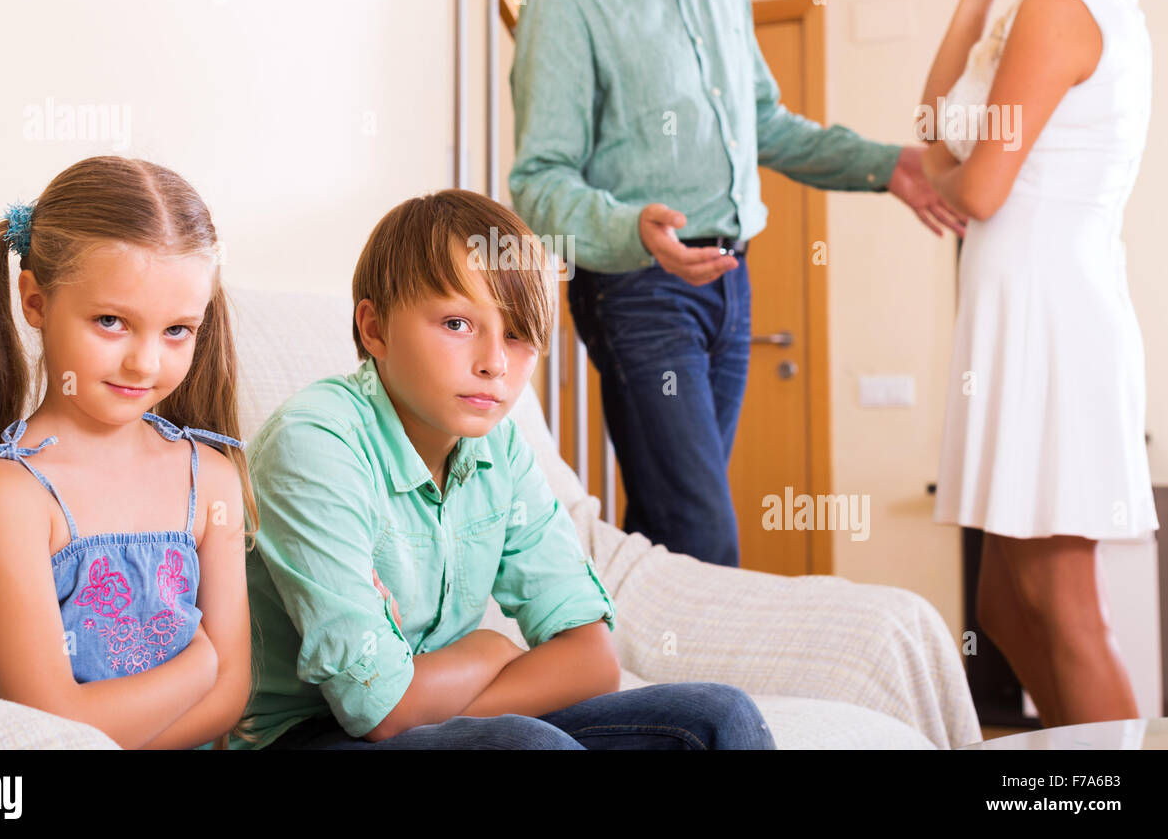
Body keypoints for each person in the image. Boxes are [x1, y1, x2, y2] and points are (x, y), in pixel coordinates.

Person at [509, 0, 965, 568]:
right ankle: (711, 696)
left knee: (667, 520)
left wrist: (887, 164)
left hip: (730, 284)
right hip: (640, 290)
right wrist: (631, 229)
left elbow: (766, 121)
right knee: (703, 533)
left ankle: (635, 686)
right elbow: (538, 181)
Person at [231, 189, 775, 749]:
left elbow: (592, 661)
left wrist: (431, 698)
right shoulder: (315, 443)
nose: (494, 362)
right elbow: (377, 709)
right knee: (527, 745)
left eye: (517, 335)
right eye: (457, 324)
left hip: (435, 712)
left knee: (719, 715)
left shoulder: (500, 446)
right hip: (300, 735)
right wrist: (487, 650)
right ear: (374, 330)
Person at [0, 156, 257, 750]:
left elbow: (230, 697)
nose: (145, 362)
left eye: (177, 330)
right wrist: (199, 666)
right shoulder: (6, 494)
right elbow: (54, 727)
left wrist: (208, 679)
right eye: (111, 321)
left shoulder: (209, 480)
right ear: (35, 302)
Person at [923, 0, 1158, 726]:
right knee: (999, 605)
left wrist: (943, 171)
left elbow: (974, 185)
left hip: (1051, 316)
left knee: (1064, 605)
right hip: (1019, 311)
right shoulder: (1035, 2)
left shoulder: (1063, 9)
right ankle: (1078, 763)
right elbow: (935, 119)